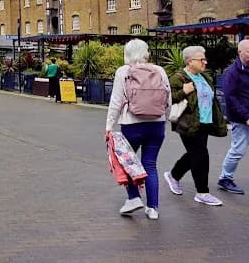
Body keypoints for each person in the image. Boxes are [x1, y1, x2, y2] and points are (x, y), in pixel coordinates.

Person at [104, 39, 171, 220]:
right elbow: (168, 99)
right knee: (150, 164)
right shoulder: (160, 71)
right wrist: (164, 118)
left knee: (127, 163)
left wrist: (109, 126)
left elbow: (116, 102)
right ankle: (153, 208)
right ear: (145, 52)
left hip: (132, 124)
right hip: (157, 125)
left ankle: (133, 198)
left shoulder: (123, 72)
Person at [164, 45, 228, 206]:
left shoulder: (205, 77)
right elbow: (167, 99)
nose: (205, 62)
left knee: (193, 154)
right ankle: (202, 192)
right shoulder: (178, 78)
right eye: (201, 59)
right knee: (201, 156)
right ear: (190, 61)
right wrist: (183, 92)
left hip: (204, 122)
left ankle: (173, 175)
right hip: (187, 124)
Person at [217, 39, 249, 195]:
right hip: (241, 118)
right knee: (238, 149)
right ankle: (225, 178)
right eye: (248, 52)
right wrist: (246, 116)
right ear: (240, 52)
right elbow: (231, 97)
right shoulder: (232, 72)